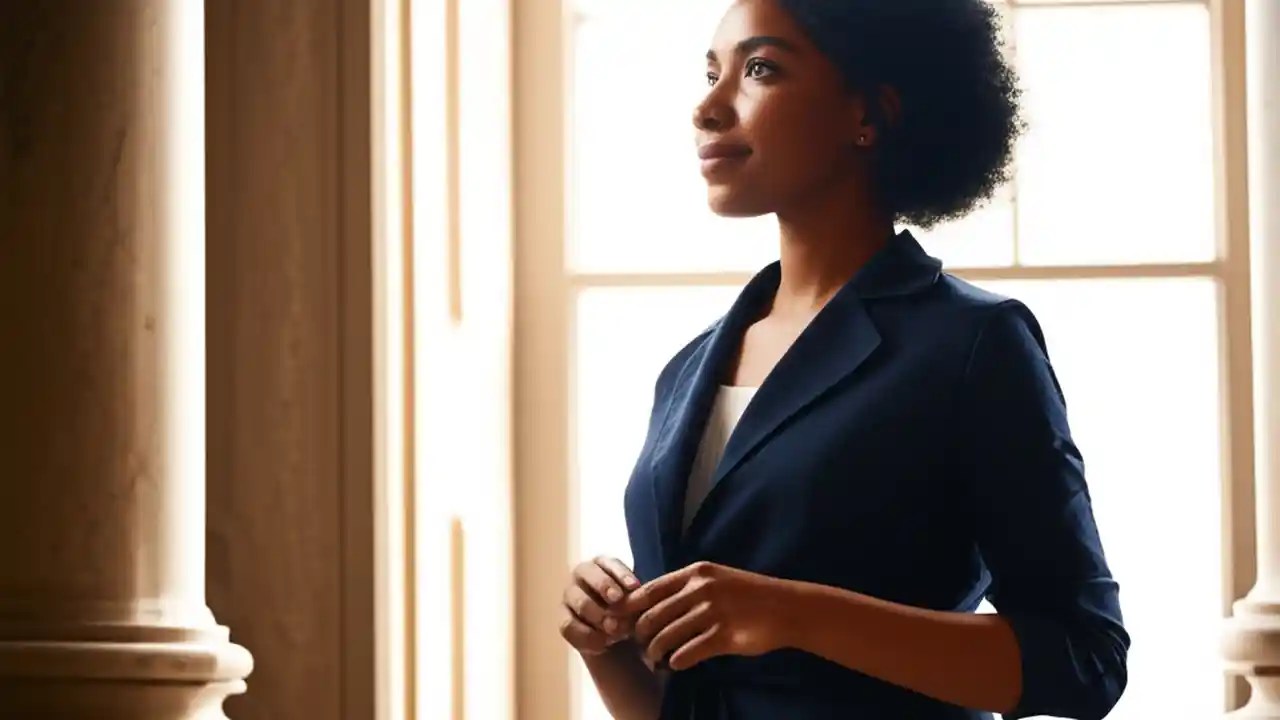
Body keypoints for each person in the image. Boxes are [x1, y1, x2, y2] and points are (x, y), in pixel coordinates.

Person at [558, 0, 1130, 718]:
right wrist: (605, 644)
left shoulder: (975, 343)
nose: (707, 108)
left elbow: (1085, 660)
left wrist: (799, 615)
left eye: (759, 69)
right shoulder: (687, 371)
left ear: (871, 113)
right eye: (711, 72)